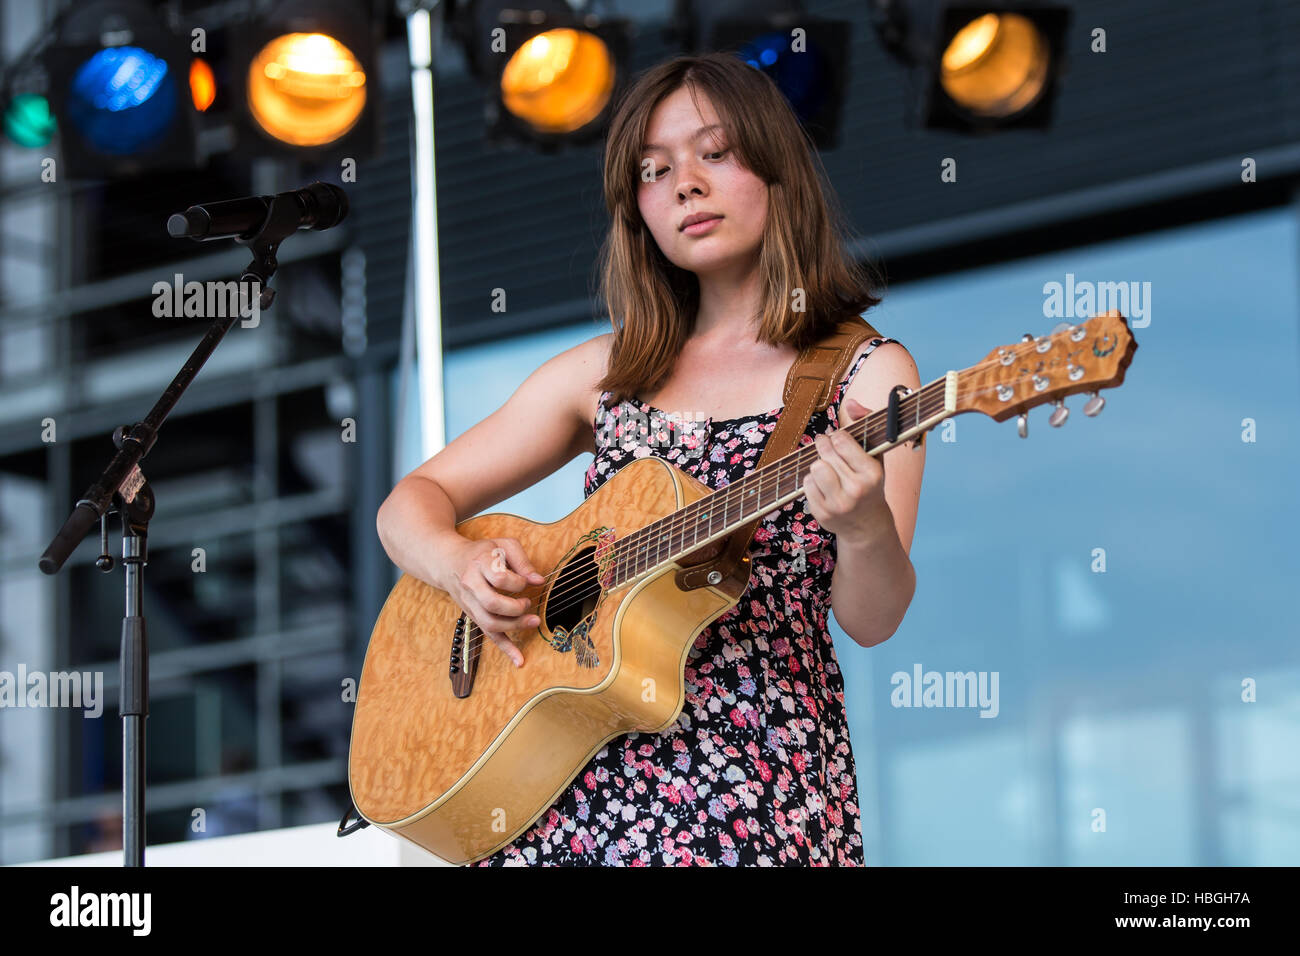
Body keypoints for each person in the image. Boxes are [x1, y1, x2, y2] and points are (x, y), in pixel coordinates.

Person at [375, 51, 925, 866]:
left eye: (715, 152)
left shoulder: (866, 373)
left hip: (757, 795)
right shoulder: (607, 373)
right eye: (653, 169)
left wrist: (865, 526)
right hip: (560, 796)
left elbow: (870, 621)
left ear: (779, 169)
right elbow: (409, 503)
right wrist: (462, 567)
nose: (685, 184)